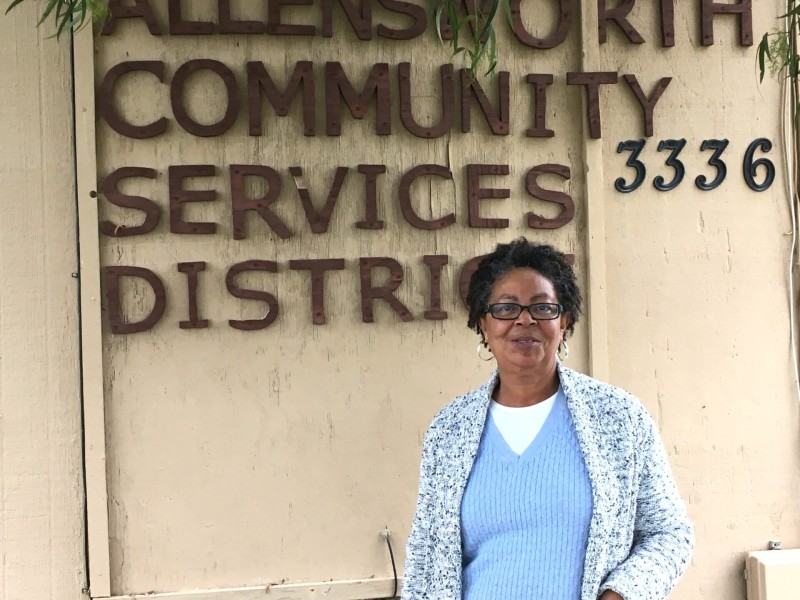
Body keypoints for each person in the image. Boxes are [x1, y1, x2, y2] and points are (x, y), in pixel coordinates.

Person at [401, 238, 693, 600]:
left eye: (542, 307)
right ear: (483, 324)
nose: (525, 319)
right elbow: (426, 560)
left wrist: (620, 594)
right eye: (506, 309)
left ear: (564, 321)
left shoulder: (619, 417)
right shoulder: (449, 431)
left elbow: (669, 533)